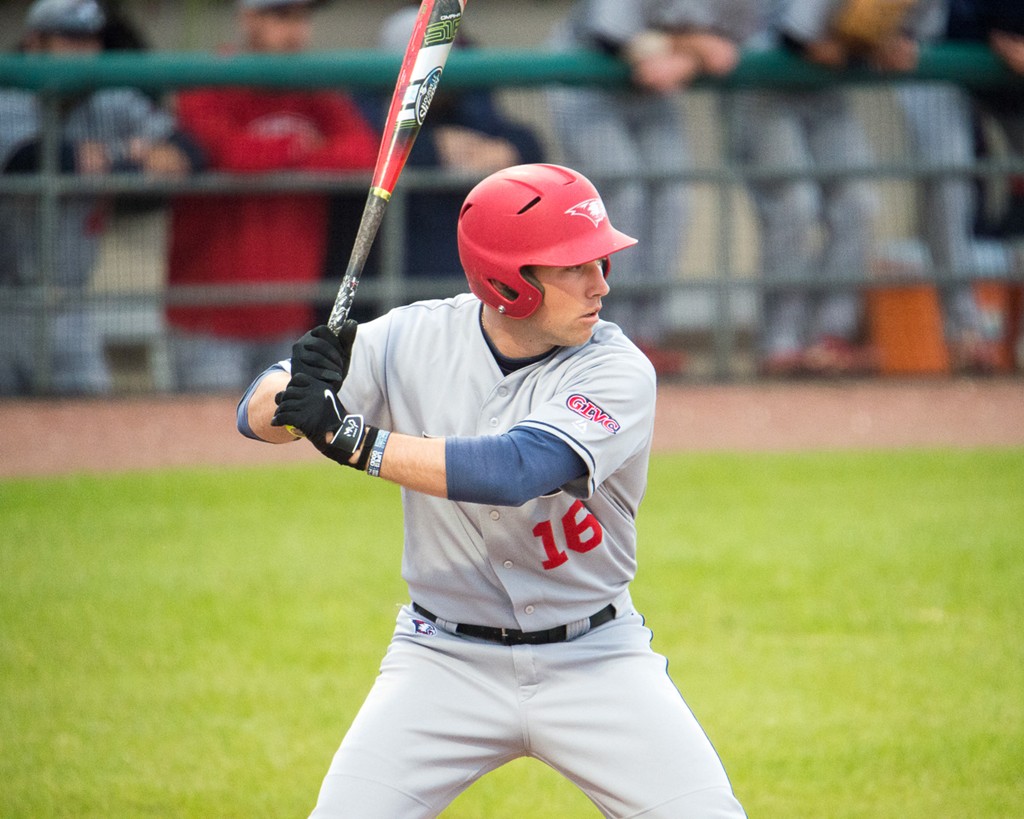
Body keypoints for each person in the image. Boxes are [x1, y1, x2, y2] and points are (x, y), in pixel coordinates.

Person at [237, 163, 747, 817]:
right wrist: (298, 389)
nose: (601, 284)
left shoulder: (618, 368)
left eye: (601, 261)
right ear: (508, 278)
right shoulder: (410, 337)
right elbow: (253, 419)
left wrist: (358, 442)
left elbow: (516, 469)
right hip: (442, 661)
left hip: (596, 660)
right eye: (575, 266)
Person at [166, 0, 379, 393]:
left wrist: (277, 154)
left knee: (280, 437)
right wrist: (301, 147)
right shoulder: (208, 80)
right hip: (210, 317)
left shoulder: (312, 88)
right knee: (207, 442)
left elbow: (364, 153)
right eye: (282, 17)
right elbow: (234, 154)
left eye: (302, 17)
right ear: (249, 19)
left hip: (288, 311)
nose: (296, 30)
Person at [727, 0, 938, 376]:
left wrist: (898, 43)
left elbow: (914, 38)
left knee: (859, 202)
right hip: (768, 78)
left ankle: (828, 337)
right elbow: (801, 39)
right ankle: (781, 342)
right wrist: (868, 50)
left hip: (825, 90)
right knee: (796, 203)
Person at [0, 0, 200, 396]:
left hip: (70, 304)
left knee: (91, 416)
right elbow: (23, 160)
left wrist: (113, 158)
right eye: (69, 40)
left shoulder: (111, 102)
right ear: (35, 42)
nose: (84, 52)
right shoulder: (9, 100)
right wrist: (111, 156)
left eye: (91, 40)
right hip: (6, 301)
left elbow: (187, 152)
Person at [546, 0, 755, 376]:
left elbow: (729, 47)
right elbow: (614, 38)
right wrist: (696, 47)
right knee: (624, 195)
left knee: (675, 198)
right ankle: (609, 335)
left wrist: (686, 56)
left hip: (651, 94)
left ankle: (646, 336)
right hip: (589, 77)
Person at [364, 1, 546, 286]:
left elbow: (526, 142)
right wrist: (429, 150)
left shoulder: (466, 101)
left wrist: (510, 151)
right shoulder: (367, 102)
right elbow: (361, 152)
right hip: (394, 284)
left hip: (468, 278)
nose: (440, 76)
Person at [895, 0, 1008, 372]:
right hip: (922, 55)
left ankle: (972, 331)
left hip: (987, 51)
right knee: (950, 182)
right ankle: (965, 330)